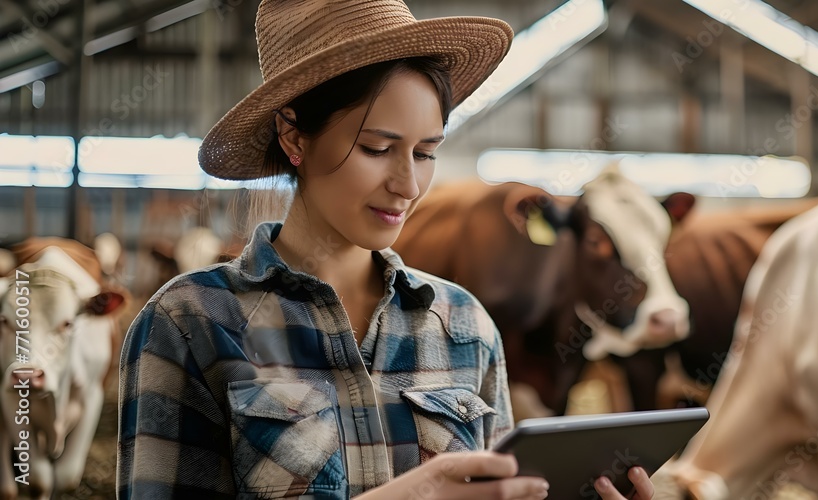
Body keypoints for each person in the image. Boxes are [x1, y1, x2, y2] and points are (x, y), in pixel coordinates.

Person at [116, 0, 656, 498]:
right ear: (294, 136)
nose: (408, 184)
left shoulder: (465, 326)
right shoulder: (190, 323)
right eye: (377, 148)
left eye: (425, 153)